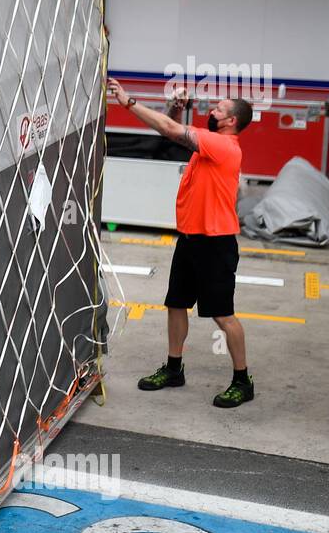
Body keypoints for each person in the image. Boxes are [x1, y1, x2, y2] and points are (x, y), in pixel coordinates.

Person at [107, 78, 256, 409]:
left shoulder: (224, 146)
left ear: (231, 121)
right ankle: (174, 369)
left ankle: (242, 380)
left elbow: (173, 131)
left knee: (223, 315)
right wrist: (176, 106)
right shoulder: (211, 143)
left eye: (219, 109)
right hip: (190, 240)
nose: (212, 110)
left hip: (215, 245)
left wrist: (127, 102)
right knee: (176, 303)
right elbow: (173, 128)